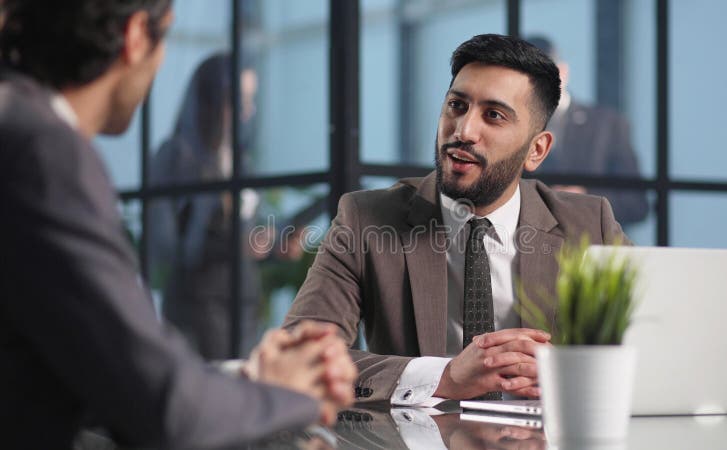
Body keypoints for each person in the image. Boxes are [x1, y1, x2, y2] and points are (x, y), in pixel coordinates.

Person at [0, 1, 355, 448]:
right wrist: (284, 390)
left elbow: (88, 373)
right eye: (165, 36)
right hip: (201, 309)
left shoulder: (18, 125)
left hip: (230, 315)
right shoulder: (43, 150)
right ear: (134, 36)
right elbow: (163, 408)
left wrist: (244, 381)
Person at [284, 34, 629, 404]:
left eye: (493, 115)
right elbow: (298, 360)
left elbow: (654, 349)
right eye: (456, 106)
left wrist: (566, 374)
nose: (463, 131)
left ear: (536, 150)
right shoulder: (365, 221)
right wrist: (444, 377)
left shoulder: (590, 224)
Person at [148, 53, 264, 359]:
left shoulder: (241, 162)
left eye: (251, 100)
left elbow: (245, 230)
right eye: (238, 100)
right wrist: (231, 245)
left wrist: (273, 246)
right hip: (198, 310)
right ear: (210, 100)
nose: (248, 111)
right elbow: (166, 245)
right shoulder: (175, 156)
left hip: (244, 306)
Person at [524, 35, 649, 226]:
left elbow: (636, 204)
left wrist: (585, 197)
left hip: (589, 248)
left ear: (563, 72)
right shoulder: (509, 123)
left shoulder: (606, 124)